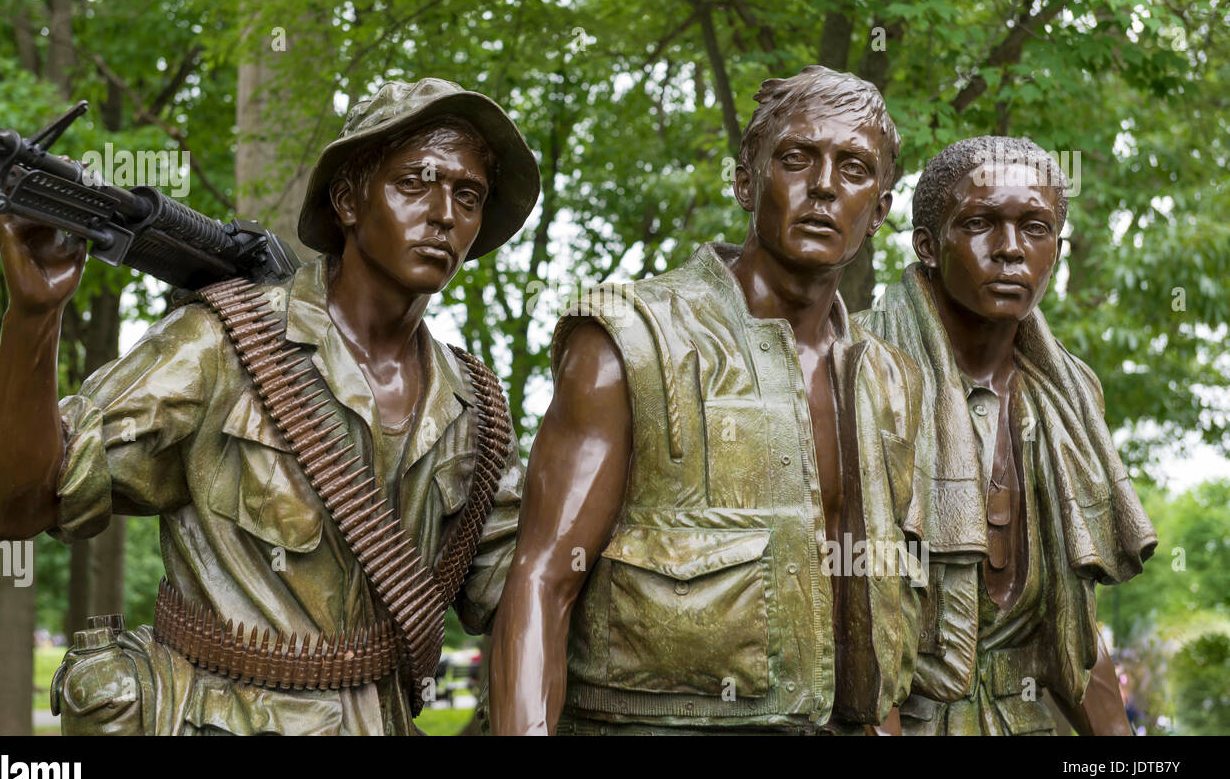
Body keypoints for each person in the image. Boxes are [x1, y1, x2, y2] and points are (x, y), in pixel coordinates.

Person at [0, 77, 540, 735]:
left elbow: (528, 599)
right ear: (349, 200)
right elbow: (12, 507)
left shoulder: (477, 410)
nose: (444, 212)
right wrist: (33, 318)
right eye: (415, 182)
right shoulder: (220, 342)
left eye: (467, 195)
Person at [490, 66, 926, 735]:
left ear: (882, 210)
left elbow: (879, 617)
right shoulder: (629, 341)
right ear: (745, 181)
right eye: (797, 158)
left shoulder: (892, 384)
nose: (825, 187)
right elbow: (543, 579)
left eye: (856, 168)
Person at [855, 135, 1156, 735]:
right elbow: (840, 609)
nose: (1011, 250)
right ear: (928, 247)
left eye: (1036, 228)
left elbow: (1069, 621)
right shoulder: (854, 367)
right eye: (980, 224)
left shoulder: (1070, 397)